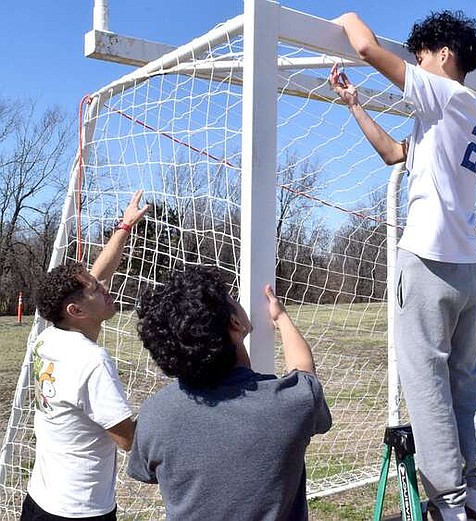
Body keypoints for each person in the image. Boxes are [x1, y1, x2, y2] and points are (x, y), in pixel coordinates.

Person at [329, 10, 476, 521]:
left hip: (427, 261)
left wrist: (347, 16)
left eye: (420, 57)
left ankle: (447, 503)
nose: (416, 66)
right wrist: (355, 105)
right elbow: (394, 155)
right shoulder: (466, 112)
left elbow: (364, 48)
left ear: (444, 56)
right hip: (466, 265)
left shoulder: (446, 95)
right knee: (467, 381)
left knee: (426, 387)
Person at [128, 266, 332, 521]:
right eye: (230, 296)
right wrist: (281, 319)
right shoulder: (292, 403)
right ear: (234, 323)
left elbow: (147, 473)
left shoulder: (154, 414)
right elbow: (304, 370)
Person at [22, 190, 150, 521]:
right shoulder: (91, 361)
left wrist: (124, 227)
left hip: (40, 499)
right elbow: (127, 439)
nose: (106, 289)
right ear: (76, 309)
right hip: (81, 512)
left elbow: (99, 274)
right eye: (96, 290)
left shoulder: (47, 338)